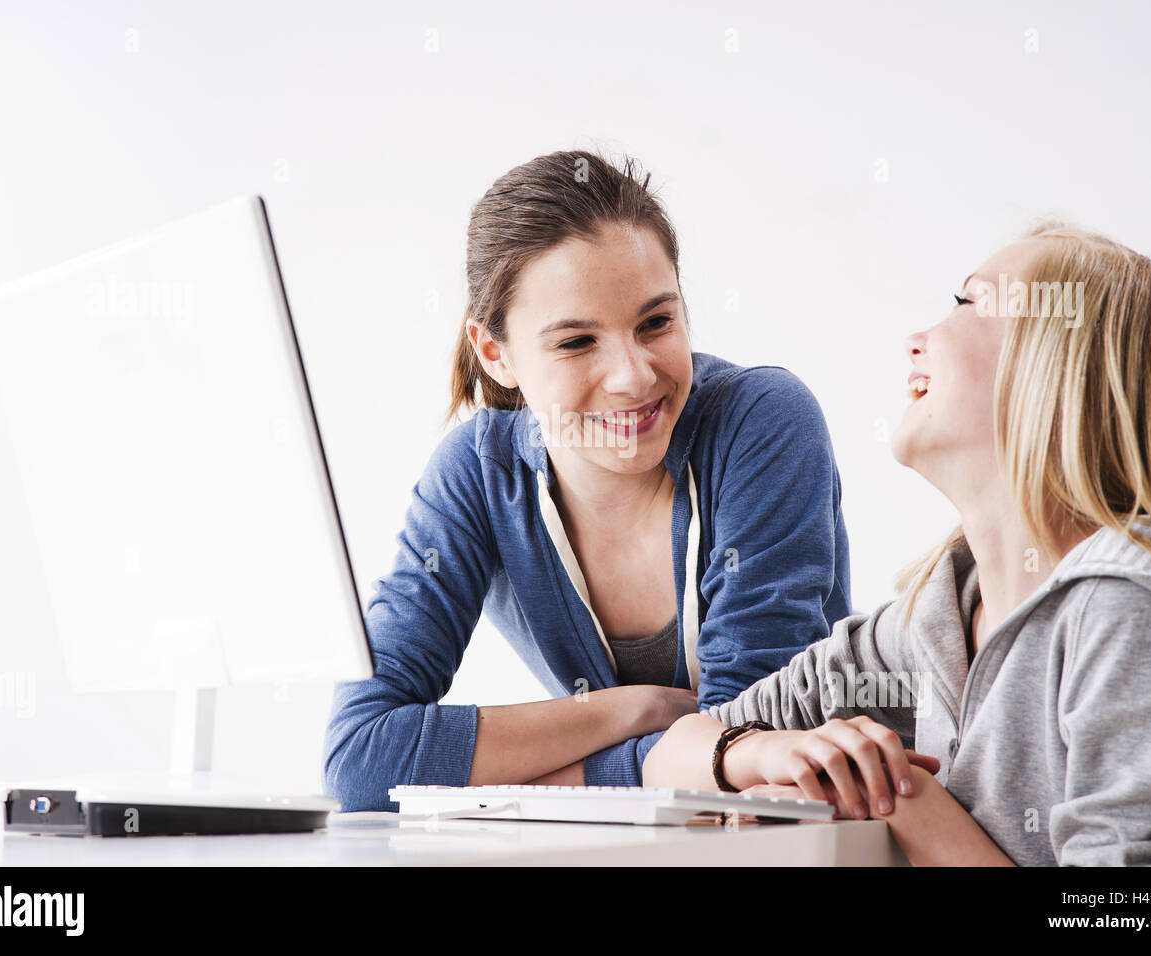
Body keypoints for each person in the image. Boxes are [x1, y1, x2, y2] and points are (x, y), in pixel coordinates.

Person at [643, 222, 1151, 866]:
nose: (916, 340)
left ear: (1062, 369)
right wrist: (755, 752)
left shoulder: (1128, 616)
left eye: (968, 303)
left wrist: (910, 806)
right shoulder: (930, 624)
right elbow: (674, 757)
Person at [323, 151, 852, 811]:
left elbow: (746, 751)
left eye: (656, 322)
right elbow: (361, 760)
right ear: (496, 352)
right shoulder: (477, 474)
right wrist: (631, 712)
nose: (633, 377)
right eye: (576, 342)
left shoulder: (760, 420)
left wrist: (533, 773)